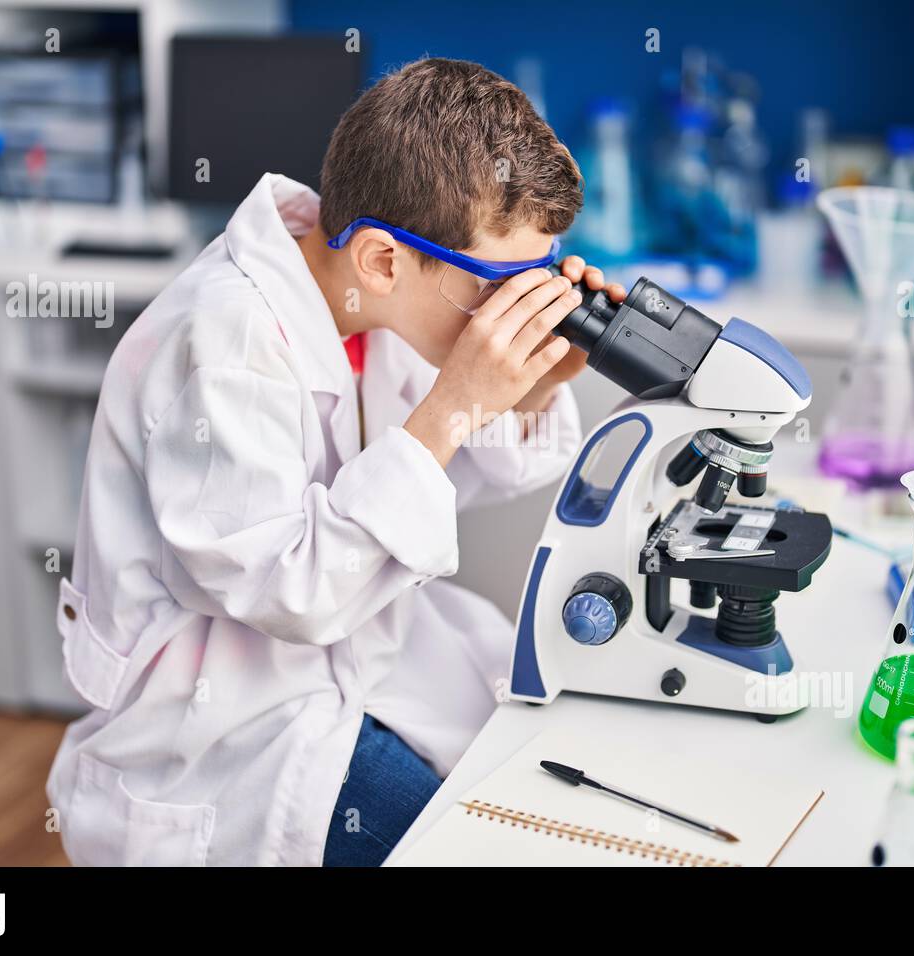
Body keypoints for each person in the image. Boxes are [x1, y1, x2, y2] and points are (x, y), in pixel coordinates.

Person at [46, 57, 625, 866]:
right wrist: (457, 395)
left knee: (546, 778)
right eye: (502, 282)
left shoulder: (375, 294)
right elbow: (293, 589)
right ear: (385, 259)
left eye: (539, 272)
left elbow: (433, 479)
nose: (515, 307)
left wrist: (525, 391)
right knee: (470, 849)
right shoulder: (223, 343)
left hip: (370, 662)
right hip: (232, 726)